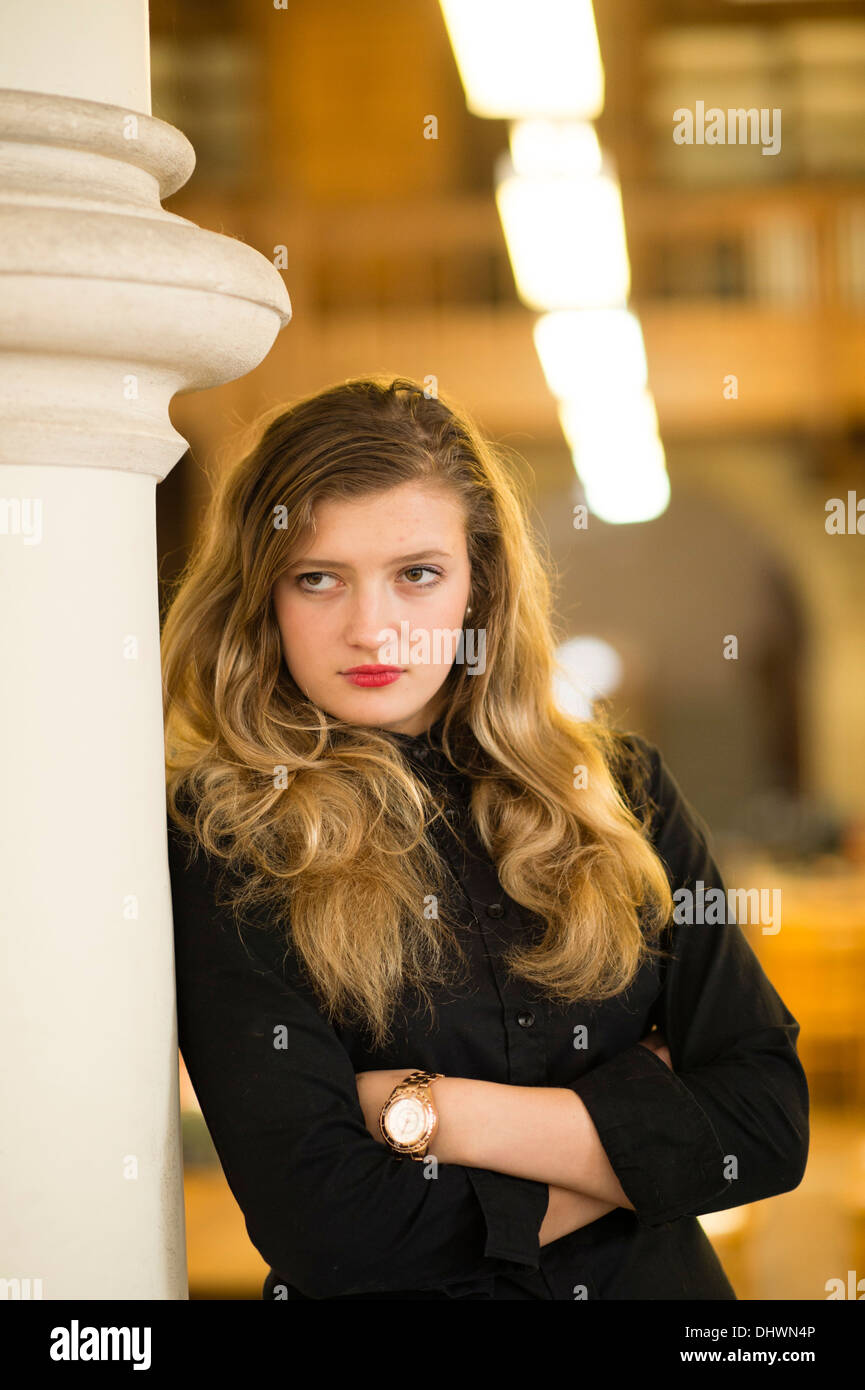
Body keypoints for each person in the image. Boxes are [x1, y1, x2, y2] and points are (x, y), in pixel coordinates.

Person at [161, 375, 809, 1300]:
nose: (371, 630)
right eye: (318, 578)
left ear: (480, 586)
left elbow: (765, 1128)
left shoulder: (620, 792)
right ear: (262, 595)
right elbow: (336, 1234)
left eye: (417, 574)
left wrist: (433, 1111)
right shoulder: (223, 840)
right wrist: (648, 1139)